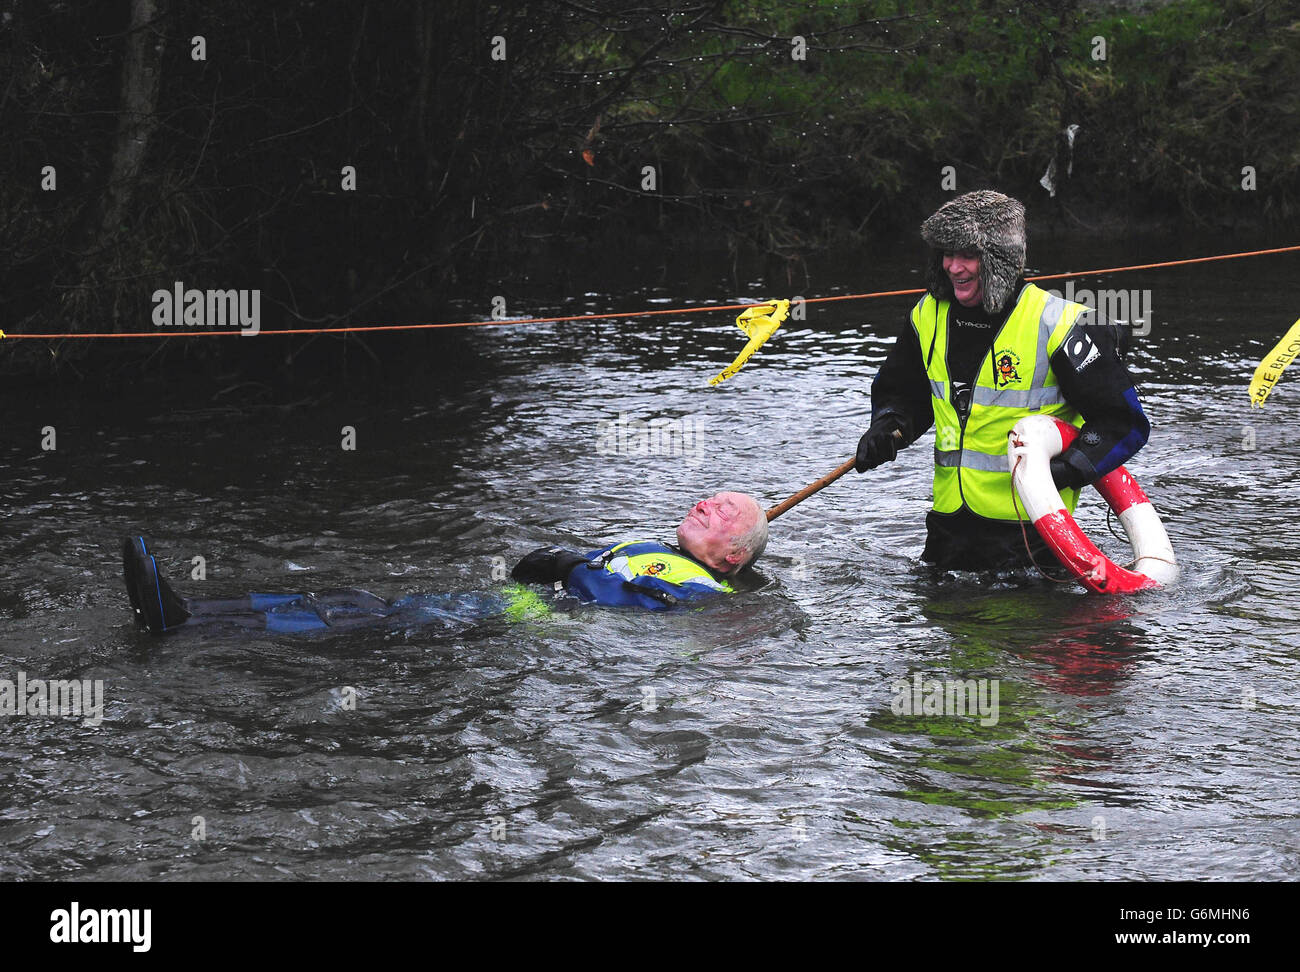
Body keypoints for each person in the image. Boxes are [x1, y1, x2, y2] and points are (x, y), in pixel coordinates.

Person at [855, 190, 1150, 572]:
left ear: (1000, 259)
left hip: (1032, 544)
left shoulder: (1057, 325)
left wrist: (1068, 470)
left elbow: (1123, 422)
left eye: (967, 255)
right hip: (947, 539)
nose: (953, 267)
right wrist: (888, 427)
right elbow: (903, 394)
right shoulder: (926, 315)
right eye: (946, 253)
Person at [122, 491, 770, 635]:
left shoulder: (704, 593)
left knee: (365, 620)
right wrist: (552, 561)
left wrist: (572, 566)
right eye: (710, 497)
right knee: (356, 596)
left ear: (734, 555)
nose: (707, 501)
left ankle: (184, 625)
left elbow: (619, 602)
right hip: (523, 602)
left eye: (724, 511)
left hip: (527, 626)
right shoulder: (650, 549)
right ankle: (188, 609)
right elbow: (540, 569)